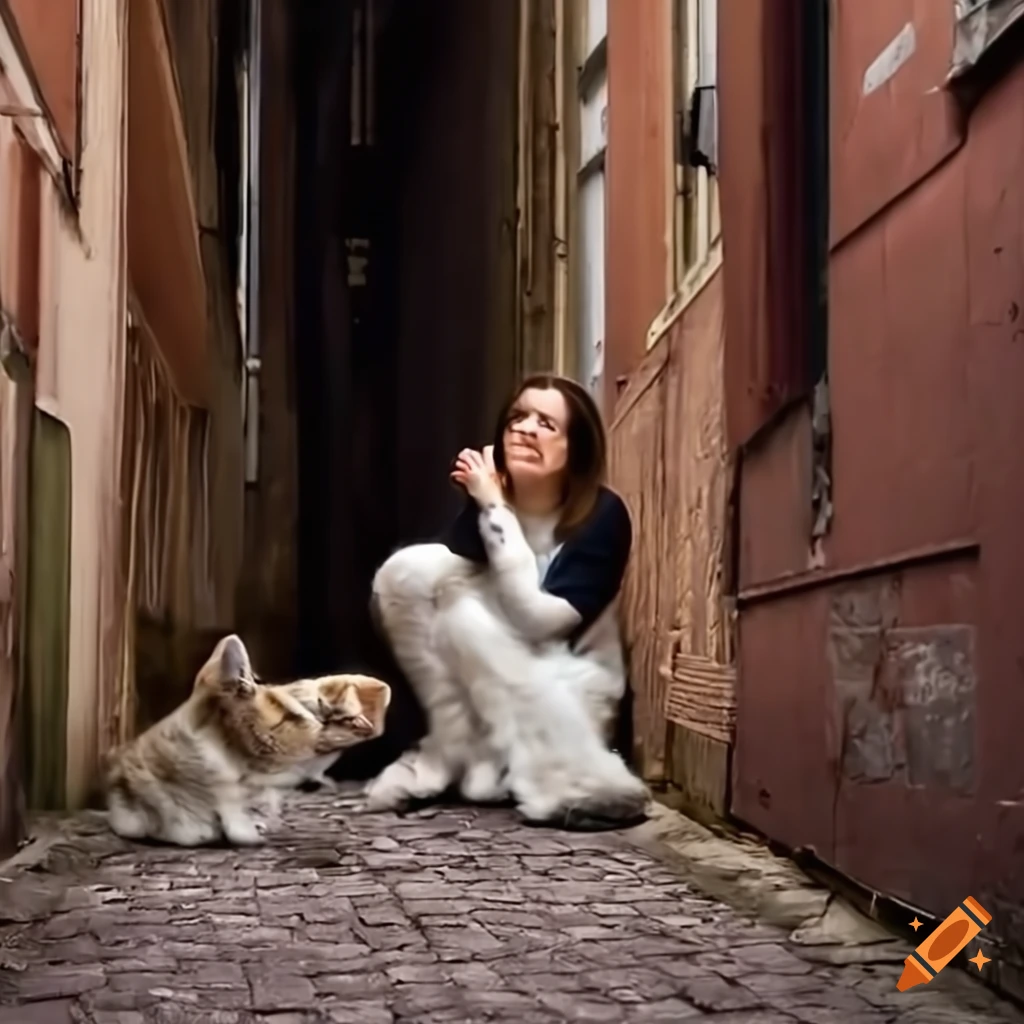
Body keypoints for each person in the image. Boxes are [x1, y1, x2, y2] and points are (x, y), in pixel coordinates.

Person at [364, 374, 649, 830]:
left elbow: (539, 623)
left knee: (462, 617)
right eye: (518, 417)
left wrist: (495, 506)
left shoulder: (602, 516)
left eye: (546, 423)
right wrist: (490, 507)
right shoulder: (487, 506)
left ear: (574, 449)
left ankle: (585, 780)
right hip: (496, 699)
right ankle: (464, 750)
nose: (525, 428)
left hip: (571, 695)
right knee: (415, 575)